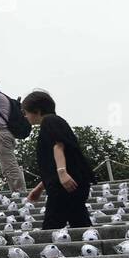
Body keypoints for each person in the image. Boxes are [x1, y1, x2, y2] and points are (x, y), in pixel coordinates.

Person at [22, 90, 93, 229]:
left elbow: (58, 146)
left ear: (37, 110)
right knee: (79, 223)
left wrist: (62, 173)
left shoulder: (49, 120)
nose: (25, 116)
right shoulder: (53, 122)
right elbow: (52, 163)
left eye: (26, 112)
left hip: (64, 185)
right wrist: (40, 188)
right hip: (70, 183)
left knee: (52, 226)